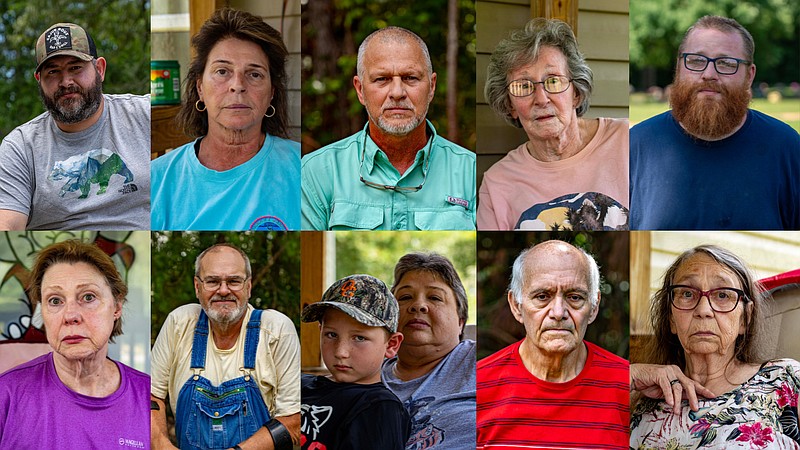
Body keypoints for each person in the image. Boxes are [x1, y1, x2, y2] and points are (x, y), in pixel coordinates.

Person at [630, 15, 800, 230]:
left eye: (726, 64)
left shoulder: (787, 148)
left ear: (749, 75)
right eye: (696, 60)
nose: (709, 74)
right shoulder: (635, 145)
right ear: (679, 67)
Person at [301, 26, 476, 231]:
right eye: (382, 79)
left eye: (410, 77)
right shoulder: (317, 172)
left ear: (432, 86)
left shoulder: (471, 171)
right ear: (360, 90)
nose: (397, 92)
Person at [630, 244, 800, 448]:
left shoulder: (786, 379)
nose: (703, 310)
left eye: (722, 295)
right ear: (671, 320)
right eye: (686, 294)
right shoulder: (642, 393)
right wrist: (628, 375)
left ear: (745, 318)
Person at [150, 8, 300, 231]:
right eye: (222, 71)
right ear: (200, 88)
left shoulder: (303, 167)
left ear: (271, 94)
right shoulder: (157, 179)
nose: (237, 85)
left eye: (254, 74)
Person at [478, 18, 629, 231]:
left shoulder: (628, 138)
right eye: (523, 86)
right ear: (510, 105)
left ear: (576, 93)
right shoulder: (497, 184)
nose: (541, 99)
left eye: (554, 81)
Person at [477, 240, 629, 448]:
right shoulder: (477, 384)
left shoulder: (627, 384)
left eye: (574, 297)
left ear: (593, 307)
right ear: (516, 306)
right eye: (542, 296)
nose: (558, 313)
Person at [0, 22, 150, 230]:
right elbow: (7, 227)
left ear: (100, 69)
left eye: (75, 68)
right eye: (52, 72)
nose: (66, 81)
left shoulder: (143, 114)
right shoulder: (20, 148)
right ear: (39, 80)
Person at [0, 240, 149, 448]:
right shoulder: (6, 393)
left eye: (88, 297)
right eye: (55, 301)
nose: (70, 315)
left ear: (116, 306)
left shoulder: (147, 396)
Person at [150, 243, 300, 450]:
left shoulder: (276, 329)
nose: (223, 290)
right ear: (197, 287)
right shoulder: (180, 323)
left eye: (234, 281)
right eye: (212, 281)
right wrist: (161, 445)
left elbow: (293, 420)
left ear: (248, 287)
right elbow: (151, 396)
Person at [300, 275, 410, 450]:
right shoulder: (299, 383)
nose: (340, 352)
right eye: (331, 335)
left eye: (359, 338)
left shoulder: (380, 408)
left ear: (391, 344)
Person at [382, 253, 476, 449]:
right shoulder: (365, 372)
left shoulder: (480, 360)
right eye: (405, 297)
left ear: (460, 321)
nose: (418, 306)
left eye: (434, 297)